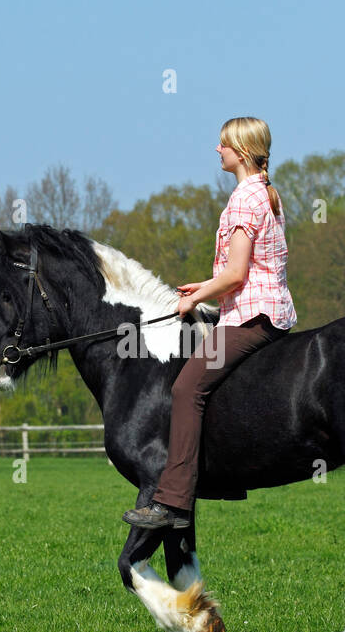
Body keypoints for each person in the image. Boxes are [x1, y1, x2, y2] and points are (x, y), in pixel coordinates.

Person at [123, 116, 297, 530]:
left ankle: (173, 503)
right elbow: (249, 269)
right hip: (269, 311)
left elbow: (235, 274)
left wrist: (196, 299)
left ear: (241, 151)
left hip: (251, 316)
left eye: (223, 144)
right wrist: (205, 285)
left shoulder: (244, 199)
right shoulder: (265, 193)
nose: (217, 150)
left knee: (185, 388)